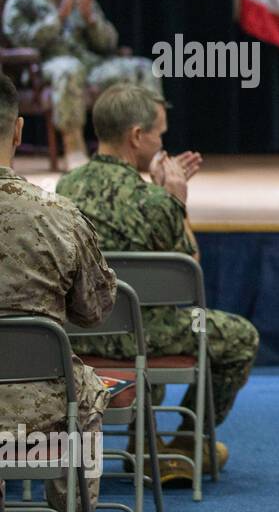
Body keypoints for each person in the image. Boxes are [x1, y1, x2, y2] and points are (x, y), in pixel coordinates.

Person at [55, 84, 258, 483]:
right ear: (136, 136)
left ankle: (149, 446)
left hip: (78, 331)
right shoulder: (155, 202)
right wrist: (177, 199)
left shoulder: (66, 187)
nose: (163, 142)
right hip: (143, 333)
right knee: (241, 338)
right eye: (159, 134)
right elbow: (190, 269)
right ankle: (188, 443)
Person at [0, 74, 116, 512]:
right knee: (87, 393)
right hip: (37, 407)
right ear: (20, 129)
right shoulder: (58, 215)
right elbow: (94, 310)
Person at [2, 0, 162, 168]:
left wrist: (91, 20)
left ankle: (147, 145)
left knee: (143, 67)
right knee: (69, 69)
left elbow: (109, 43)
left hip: (90, 65)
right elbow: (22, 41)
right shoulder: (21, 1)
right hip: (46, 66)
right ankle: (73, 148)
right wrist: (58, 17)